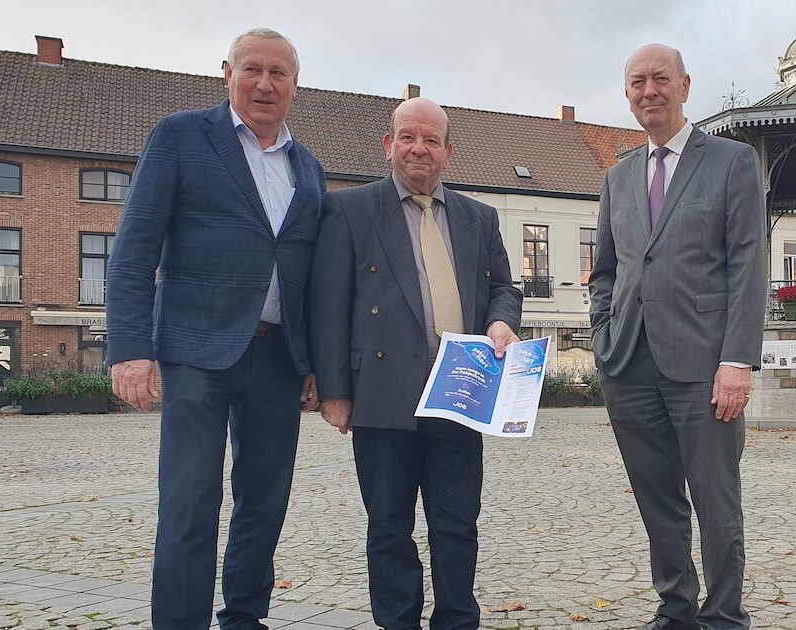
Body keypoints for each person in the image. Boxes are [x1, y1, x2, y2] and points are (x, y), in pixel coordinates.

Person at [104, 28, 325, 630]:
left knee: (265, 504)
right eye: (252, 69)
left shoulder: (307, 167)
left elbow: (308, 273)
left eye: (278, 73)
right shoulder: (180, 137)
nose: (264, 83)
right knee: (190, 502)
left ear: (295, 85)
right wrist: (129, 349)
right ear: (226, 73)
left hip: (277, 360)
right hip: (195, 352)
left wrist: (313, 361)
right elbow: (134, 249)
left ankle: (244, 619)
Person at [309, 97, 522, 630]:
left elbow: (505, 287)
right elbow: (328, 304)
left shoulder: (479, 217)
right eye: (407, 137)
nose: (418, 149)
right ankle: (397, 622)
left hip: (459, 396)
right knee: (388, 527)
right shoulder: (350, 209)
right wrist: (334, 391)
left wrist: (501, 320)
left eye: (430, 140)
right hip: (382, 395)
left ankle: (457, 620)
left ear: (448, 151)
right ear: (389, 145)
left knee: (458, 527)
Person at [588, 44, 766, 630]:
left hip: (704, 365)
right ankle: (676, 609)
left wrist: (737, 360)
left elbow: (748, 265)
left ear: (685, 86)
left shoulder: (732, 162)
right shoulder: (616, 177)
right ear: (627, 95)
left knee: (716, 501)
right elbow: (606, 272)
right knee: (657, 500)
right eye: (637, 82)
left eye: (660, 79)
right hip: (629, 365)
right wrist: (603, 334)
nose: (649, 91)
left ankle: (723, 617)